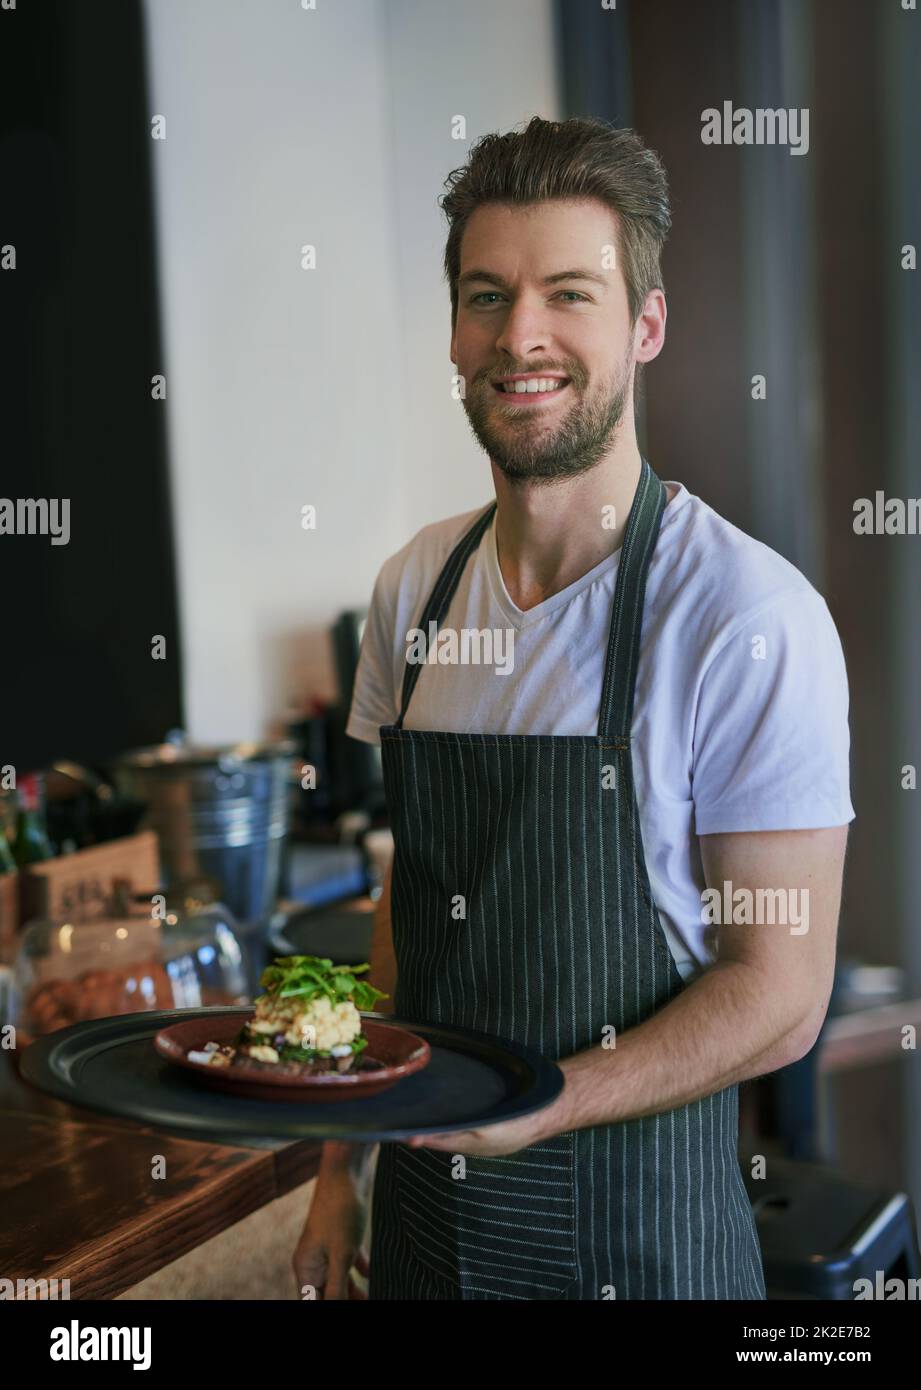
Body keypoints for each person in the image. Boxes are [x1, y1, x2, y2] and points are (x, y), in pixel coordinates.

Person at [293, 115, 854, 1301]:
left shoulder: (745, 616)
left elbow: (781, 997)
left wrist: (541, 1104)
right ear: (452, 329)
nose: (520, 336)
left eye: (569, 294)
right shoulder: (416, 590)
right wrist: (341, 1161)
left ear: (647, 324)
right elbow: (411, 906)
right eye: (486, 295)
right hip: (425, 1242)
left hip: (639, 1250)